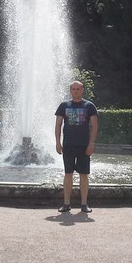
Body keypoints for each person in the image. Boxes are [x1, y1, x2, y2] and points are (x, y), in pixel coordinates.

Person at [55, 81, 98, 213]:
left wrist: (91, 144)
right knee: (68, 174)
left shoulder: (89, 106)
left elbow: (94, 126)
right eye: (73, 89)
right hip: (68, 145)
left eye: (78, 89)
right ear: (70, 91)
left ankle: (84, 204)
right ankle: (66, 204)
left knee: (84, 175)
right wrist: (58, 142)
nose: (76, 91)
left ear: (82, 90)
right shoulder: (64, 106)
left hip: (84, 145)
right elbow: (58, 125)